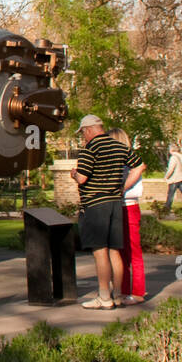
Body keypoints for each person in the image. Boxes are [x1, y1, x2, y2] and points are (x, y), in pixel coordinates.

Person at [72, 115, 142, 309]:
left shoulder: (90, 149)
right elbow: (138, 166)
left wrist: (74, 175)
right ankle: (118, 294)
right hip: (114, 203)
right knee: (114, 251)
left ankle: (104, 296)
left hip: (95, 205)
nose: (83, 137)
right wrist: (123, 187)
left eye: (83, 133)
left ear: (88, 130)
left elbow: (82, 179)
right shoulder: (119, 147)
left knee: (100, 251)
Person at [109, 128, 147, 303]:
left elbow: (135, 186)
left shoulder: (131, 161)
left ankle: (138, 292)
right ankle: (123, 290)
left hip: (129, 206)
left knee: (133, 251)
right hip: (118, 207)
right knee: (120, 251)